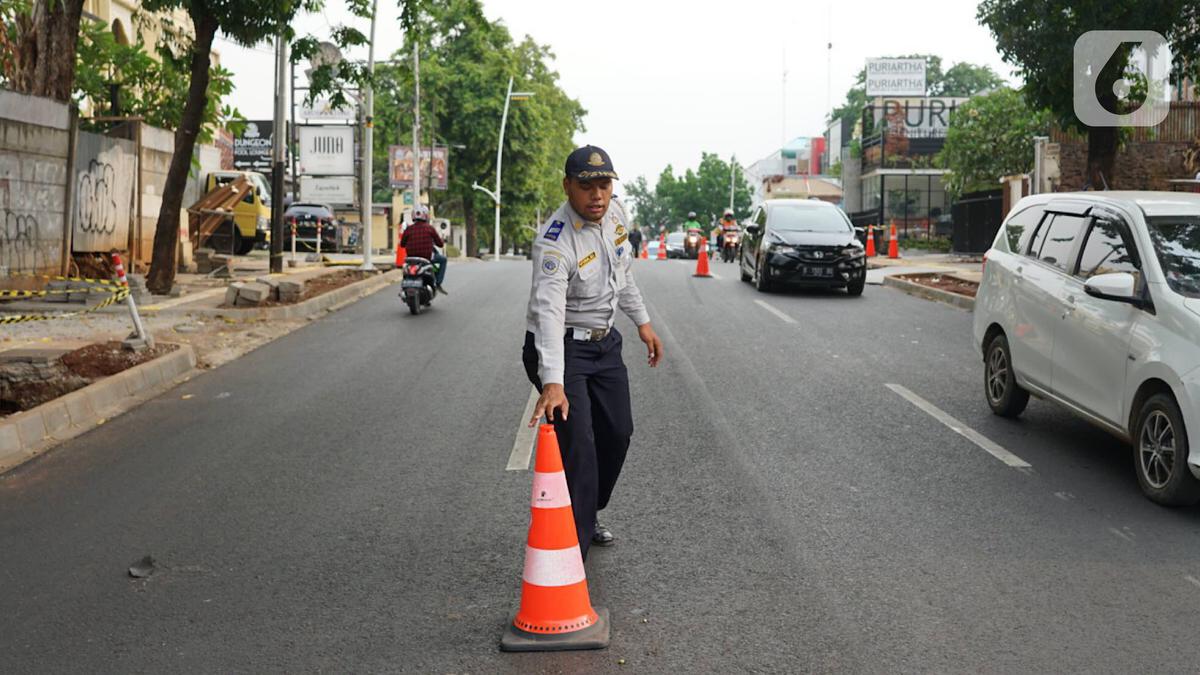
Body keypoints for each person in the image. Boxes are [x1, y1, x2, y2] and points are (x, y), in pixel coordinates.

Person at [523, 144, 664, 560]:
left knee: (618, 433)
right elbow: (549, 314)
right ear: (567, 186)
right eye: (587, 186)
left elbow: (623, 272)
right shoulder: (554, 243)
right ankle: (572, 557)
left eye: (604, 185)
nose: (597, 195)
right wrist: (552, 382)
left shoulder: (615, 215)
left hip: (604, 343)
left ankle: (587, 508)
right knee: (580, 448)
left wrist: (642, 322)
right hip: (562, 349)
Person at [400, 205, 448, 294]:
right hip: (426, 259)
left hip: (411, 260)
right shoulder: (430, 228)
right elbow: (440, 244)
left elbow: (402, 244)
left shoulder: (409, 229)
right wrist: (440, 240)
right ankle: (438, 283)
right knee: (443, 260)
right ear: (426, 215)